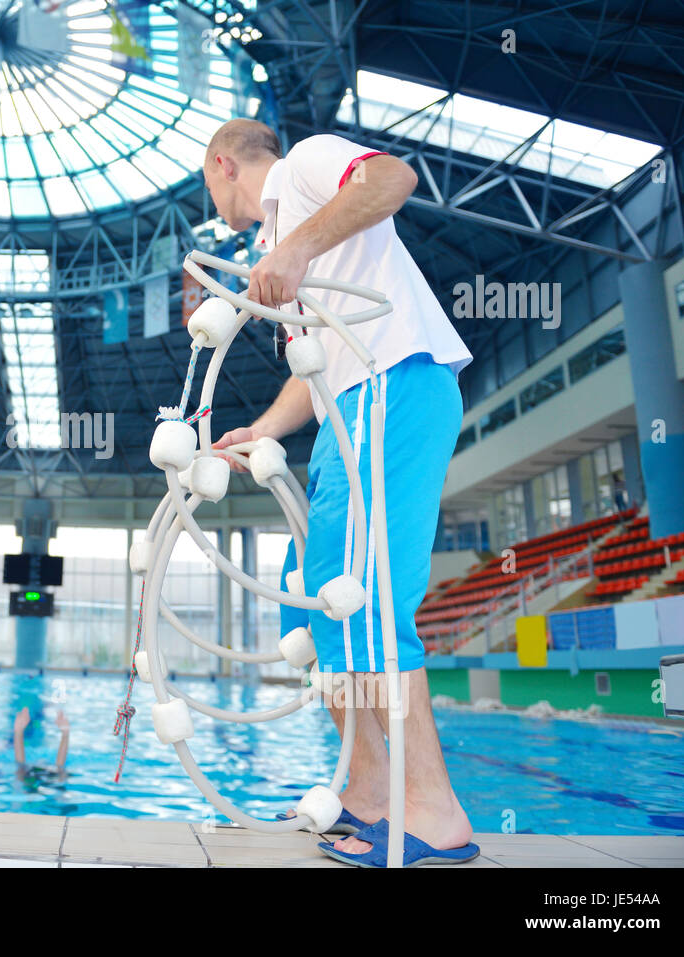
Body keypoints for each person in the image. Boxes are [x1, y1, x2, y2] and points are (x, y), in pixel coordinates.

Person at [203, 119, 479, 867]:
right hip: (346, 410)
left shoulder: (302, 168)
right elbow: (309, 371)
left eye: (209, 184)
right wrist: (259, 430)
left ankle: (436, 811)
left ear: (223, 164)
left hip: (394, 383)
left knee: (367, 596)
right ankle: (368, 795)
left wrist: (296, 247)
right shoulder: (274, 244)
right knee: (317, 591)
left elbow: (392, 180)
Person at [13, 706, 69, 787]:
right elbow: (60, 765)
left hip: (35, 778)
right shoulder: (54, 774)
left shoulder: (27, 773)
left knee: (21, 769)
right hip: (45, 779)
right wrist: (65, 733)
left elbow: (20, 764)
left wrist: (18, 731)